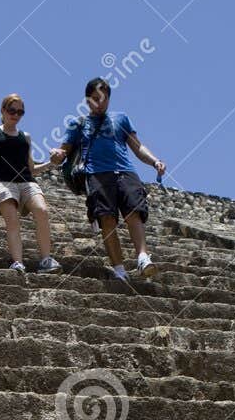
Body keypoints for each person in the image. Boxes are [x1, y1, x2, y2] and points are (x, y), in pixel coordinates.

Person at [51, 77, 166, 283]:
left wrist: (155, 161)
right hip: (96, 173)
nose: (100, 103)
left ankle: (142, 257)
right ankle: (119, 269)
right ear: (87, 100)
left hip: (125, 170)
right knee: (107, 219)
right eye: (96, 99)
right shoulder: (78, 123)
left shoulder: (121, 118)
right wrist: (56, 154)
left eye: (104, 98)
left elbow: (137, 146)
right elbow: (64, 150)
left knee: (134, 211)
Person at [0, 94, 61, 274]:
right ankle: (18, 262)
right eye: (12, 110)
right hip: (3, 183)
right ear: (3, 110)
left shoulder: (25, 136)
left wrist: (52, 163)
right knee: (12, 220)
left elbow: (31, 168)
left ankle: (46, 260)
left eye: (20, 112)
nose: (15, 115)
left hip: (26, 181)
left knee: (42, 210)